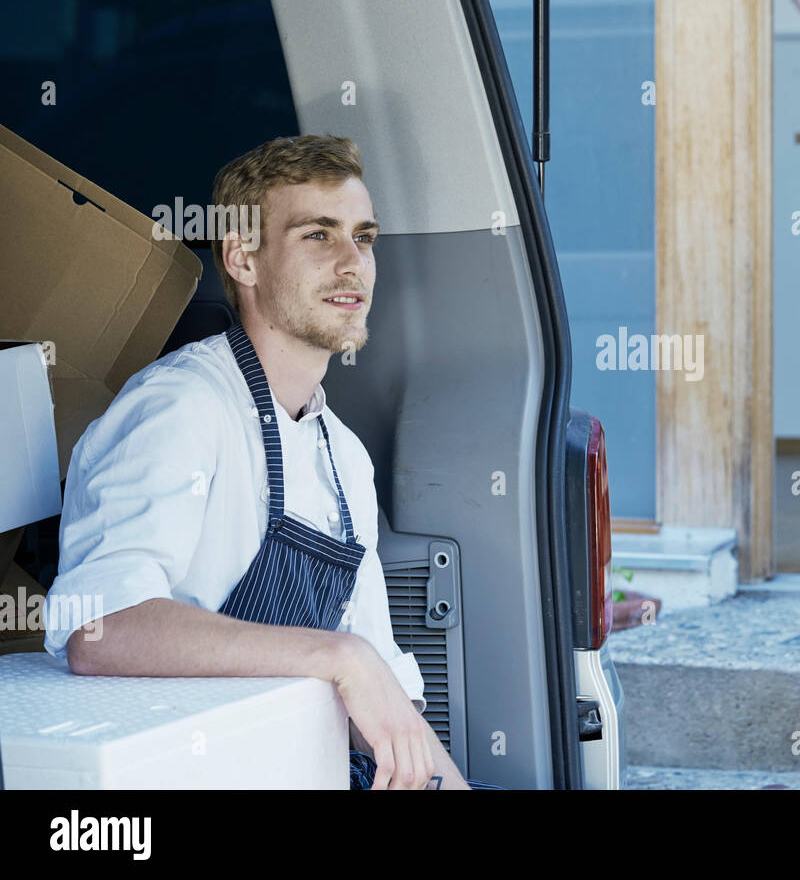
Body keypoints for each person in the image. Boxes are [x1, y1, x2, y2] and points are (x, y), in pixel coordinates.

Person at [43, 134, 498, 790]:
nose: (354, 264)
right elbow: (99, 628)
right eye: (319, 235)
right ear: (243, 259)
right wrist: (339, 657)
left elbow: (384, 699)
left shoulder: (344, 456)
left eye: (364, 238)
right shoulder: (180, 408)